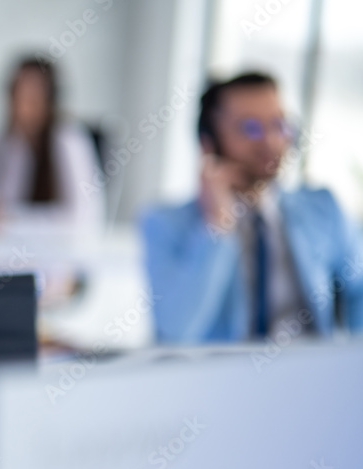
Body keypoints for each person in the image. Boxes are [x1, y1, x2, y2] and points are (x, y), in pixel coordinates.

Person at [141, 72, 363, 343]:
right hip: (221, 370)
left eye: (279, 125)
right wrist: (217, 226)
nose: (270, 141)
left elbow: (359, 288)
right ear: (209, 141)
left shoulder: (322, 208)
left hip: (312, 366)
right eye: (250, 128)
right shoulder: (165, 223)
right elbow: (176, 332)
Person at [0, 55, 105, 235]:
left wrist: (13, 219)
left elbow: (85, 216)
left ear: (50, 99)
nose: (25, 104)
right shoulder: (1, 142)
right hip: (5, 245)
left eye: (34, 96)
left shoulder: (70, 141)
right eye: (20, 94)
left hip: (57, 247)